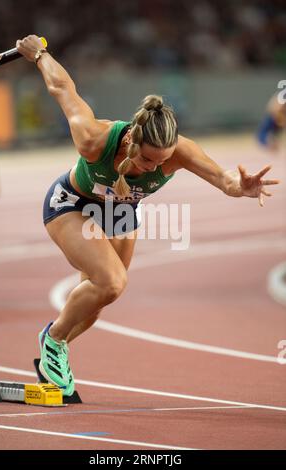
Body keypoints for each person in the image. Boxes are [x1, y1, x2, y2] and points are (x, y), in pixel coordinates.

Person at [16, 35, 280, 396]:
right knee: (111, 282)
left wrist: (242, 186)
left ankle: (56, 340)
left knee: (100, 296)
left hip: (121, 212)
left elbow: (224, 179)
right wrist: (40, 55)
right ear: (131, 142)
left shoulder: (179, 151)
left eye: (163, 161)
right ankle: (54, 340)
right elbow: (62, 87)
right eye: (147, 160)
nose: (155, 167)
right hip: (73, 204)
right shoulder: (95, 138)